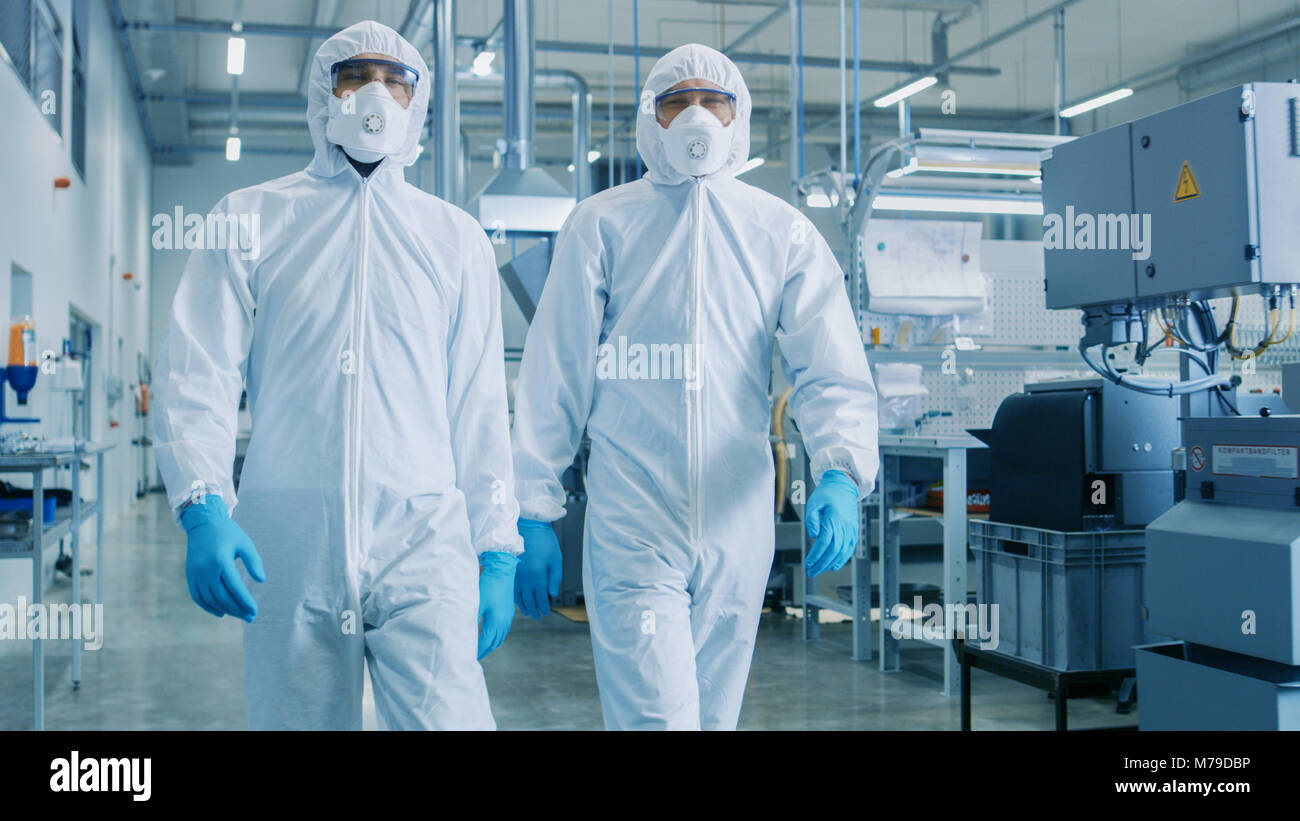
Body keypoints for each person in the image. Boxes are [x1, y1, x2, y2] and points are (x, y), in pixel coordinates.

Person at [153, 20, 521, 730]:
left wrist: (496, 545)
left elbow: (477, 404)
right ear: (325, 94)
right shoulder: (252, 218)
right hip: (290, 537)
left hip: (424, 535)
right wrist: (201, 504)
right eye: (356, 77)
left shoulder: (455, 239)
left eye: (395, 80)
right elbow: (197, 370)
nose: (375, 94)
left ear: (418, 103)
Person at [510, 43, 879, 730]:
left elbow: (829, 365)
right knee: (660, 718)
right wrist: (531, 506)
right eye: (677, 101)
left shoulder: (781, 231)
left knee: (713, 718)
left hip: (738, 519)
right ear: (651, 120)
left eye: (714, 100)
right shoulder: (602, 223)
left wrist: (840, 471)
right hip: (633, 516)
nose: (696, 115)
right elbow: (556, 369)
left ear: (737, 117)